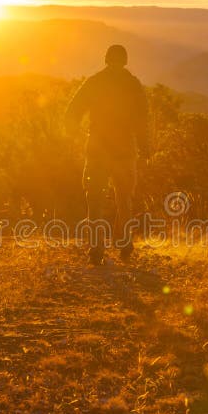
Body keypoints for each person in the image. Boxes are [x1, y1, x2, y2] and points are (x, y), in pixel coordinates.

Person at [65, 45, 149, 265]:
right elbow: (143, 119)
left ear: (106, 59)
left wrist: (73, 134)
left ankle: (96, 247)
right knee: (124, 199)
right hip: (124, 149)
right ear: (125, 60)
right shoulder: (133, 84)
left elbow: (73, 110)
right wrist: (145, 147)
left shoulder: (94, 82)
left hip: (97, 149)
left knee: (95, 199)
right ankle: (125, 244)